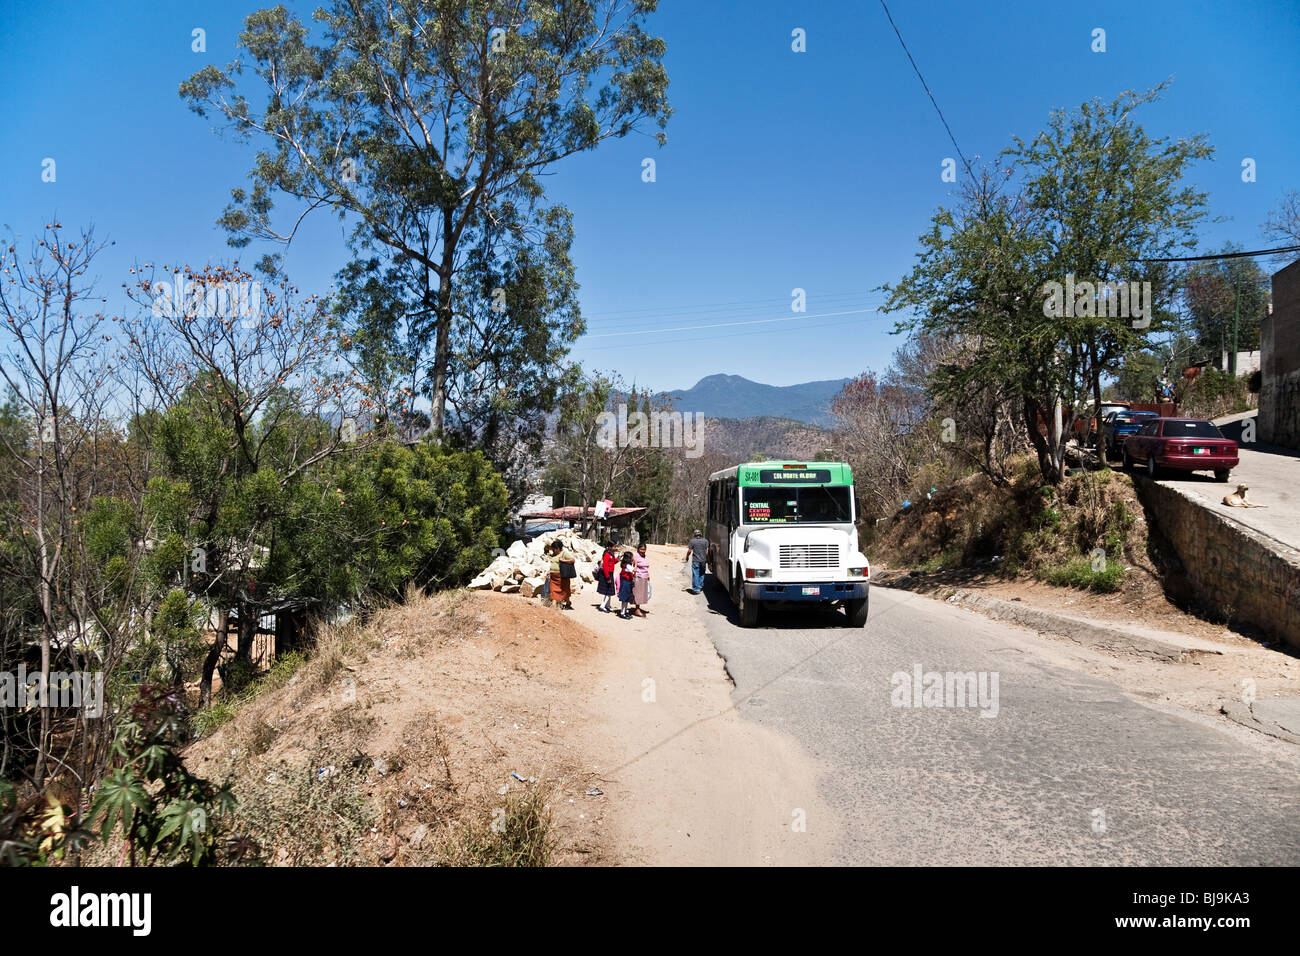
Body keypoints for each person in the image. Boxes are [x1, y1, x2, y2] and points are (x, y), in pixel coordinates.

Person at [547, 540, 575, 610]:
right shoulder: (554, 555)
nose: (552, 550)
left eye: (554, 549)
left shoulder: (564, 553)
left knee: (564, 590)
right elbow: (553, 564)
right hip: (553, 576)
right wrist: (549, 571)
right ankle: (553, 604)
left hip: (562, 576)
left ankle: (568, 602)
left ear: (558, 548)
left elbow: (572, 560)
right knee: (553, 589)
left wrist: (563, 560)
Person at [683, 529, 710, 594]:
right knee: (702, 573)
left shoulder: (692, 541)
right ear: (700, 534)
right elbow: (707, 552)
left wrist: (687, 557)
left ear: (694, 535)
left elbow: (689, 551)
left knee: (696, 574)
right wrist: (708, 559)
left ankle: (696, 589)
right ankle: (700, 586)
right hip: (703, 560)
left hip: (696, 561)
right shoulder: (705, 541)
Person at [596, 539, 617, 612]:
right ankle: (602, 605)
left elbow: (613, 562)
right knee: (608, 591)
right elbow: (605, 567)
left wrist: (618, 559)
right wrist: (607, 577)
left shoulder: (612, 554)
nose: (615, 548)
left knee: (610, 591)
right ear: (610, 547)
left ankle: (608, 605)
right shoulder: (607, 555)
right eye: (614, 547)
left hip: (610, 573)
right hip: (607, 574)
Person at [632, 542, 650, 617]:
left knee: (642, 594)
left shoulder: (645, 556)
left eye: (644, 549)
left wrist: (648, 575)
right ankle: (637, 609)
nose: (643, 551)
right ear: (638, 549)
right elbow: (632, 566)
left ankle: (638, 608)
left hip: (644, 577)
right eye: (641, 549)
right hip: (638, 577)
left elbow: (646, 567)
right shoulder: (635, 556)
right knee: (638, 594)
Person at [617, 552, 636, 619]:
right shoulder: (627, 565)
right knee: (624, 598)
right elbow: (634, 570)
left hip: (628, 582)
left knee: (627, 598)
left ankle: (624, 611)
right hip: (626, 582)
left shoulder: (628, 564)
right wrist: (636, 563)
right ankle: (622, 612)